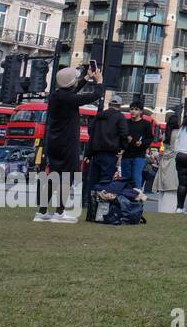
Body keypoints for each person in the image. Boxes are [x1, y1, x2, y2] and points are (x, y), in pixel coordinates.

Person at [34, 65, 103, 223]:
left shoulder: (56, 96)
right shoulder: (69, 99)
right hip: (67, 143)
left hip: (54, 142)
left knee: (54, 176)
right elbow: (94, 96)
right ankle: (59, 212)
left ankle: (42, 211)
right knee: (67, 177)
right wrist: (99, 82)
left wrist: (86, 78)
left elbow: (71, 90)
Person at [85, 96, 128, 221]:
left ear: (109, 104)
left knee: (93, 183)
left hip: (96, 153)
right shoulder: (119, 117)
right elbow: (124, 133)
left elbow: (90, 132)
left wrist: (89, 153)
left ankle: (90, 213)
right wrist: (122, 148)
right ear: (119, 106)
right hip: (110, 154)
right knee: (105, 184)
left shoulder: (99, 116)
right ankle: (101, 214)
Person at [119, 101, 152, 190]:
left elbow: (149, 138)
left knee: (136, 178)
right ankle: (125, 201)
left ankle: (137, 202)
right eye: (132, 109)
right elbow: (121, 136)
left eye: (136, 109)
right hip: (126, 155)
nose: (133, 111)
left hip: (139, 155)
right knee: (125, 179)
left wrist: (142, 143)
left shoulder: (146, 124)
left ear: (141, 111)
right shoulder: (126, 122)